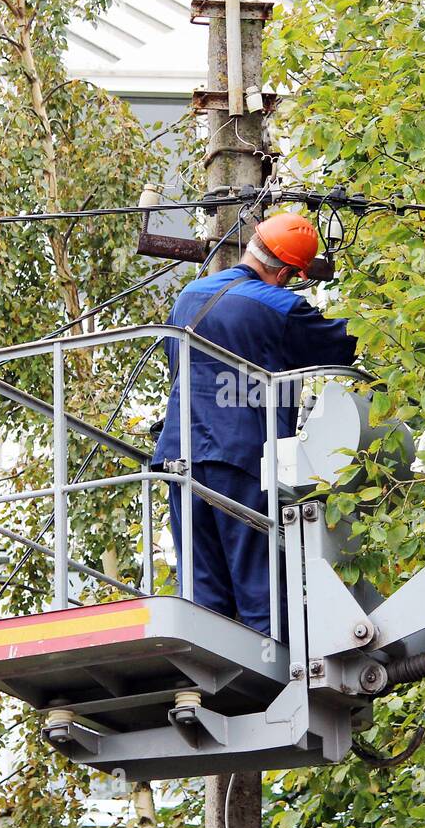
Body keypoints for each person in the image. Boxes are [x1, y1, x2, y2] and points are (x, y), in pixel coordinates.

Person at [151, 213, 356, 634]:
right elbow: (347, 343)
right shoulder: (279, 306)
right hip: (242, 458)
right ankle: (274, 684)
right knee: (260, 588)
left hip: (179, 455)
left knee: (201, 593)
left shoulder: (188, 295)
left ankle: (207, 683)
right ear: (284, 272)